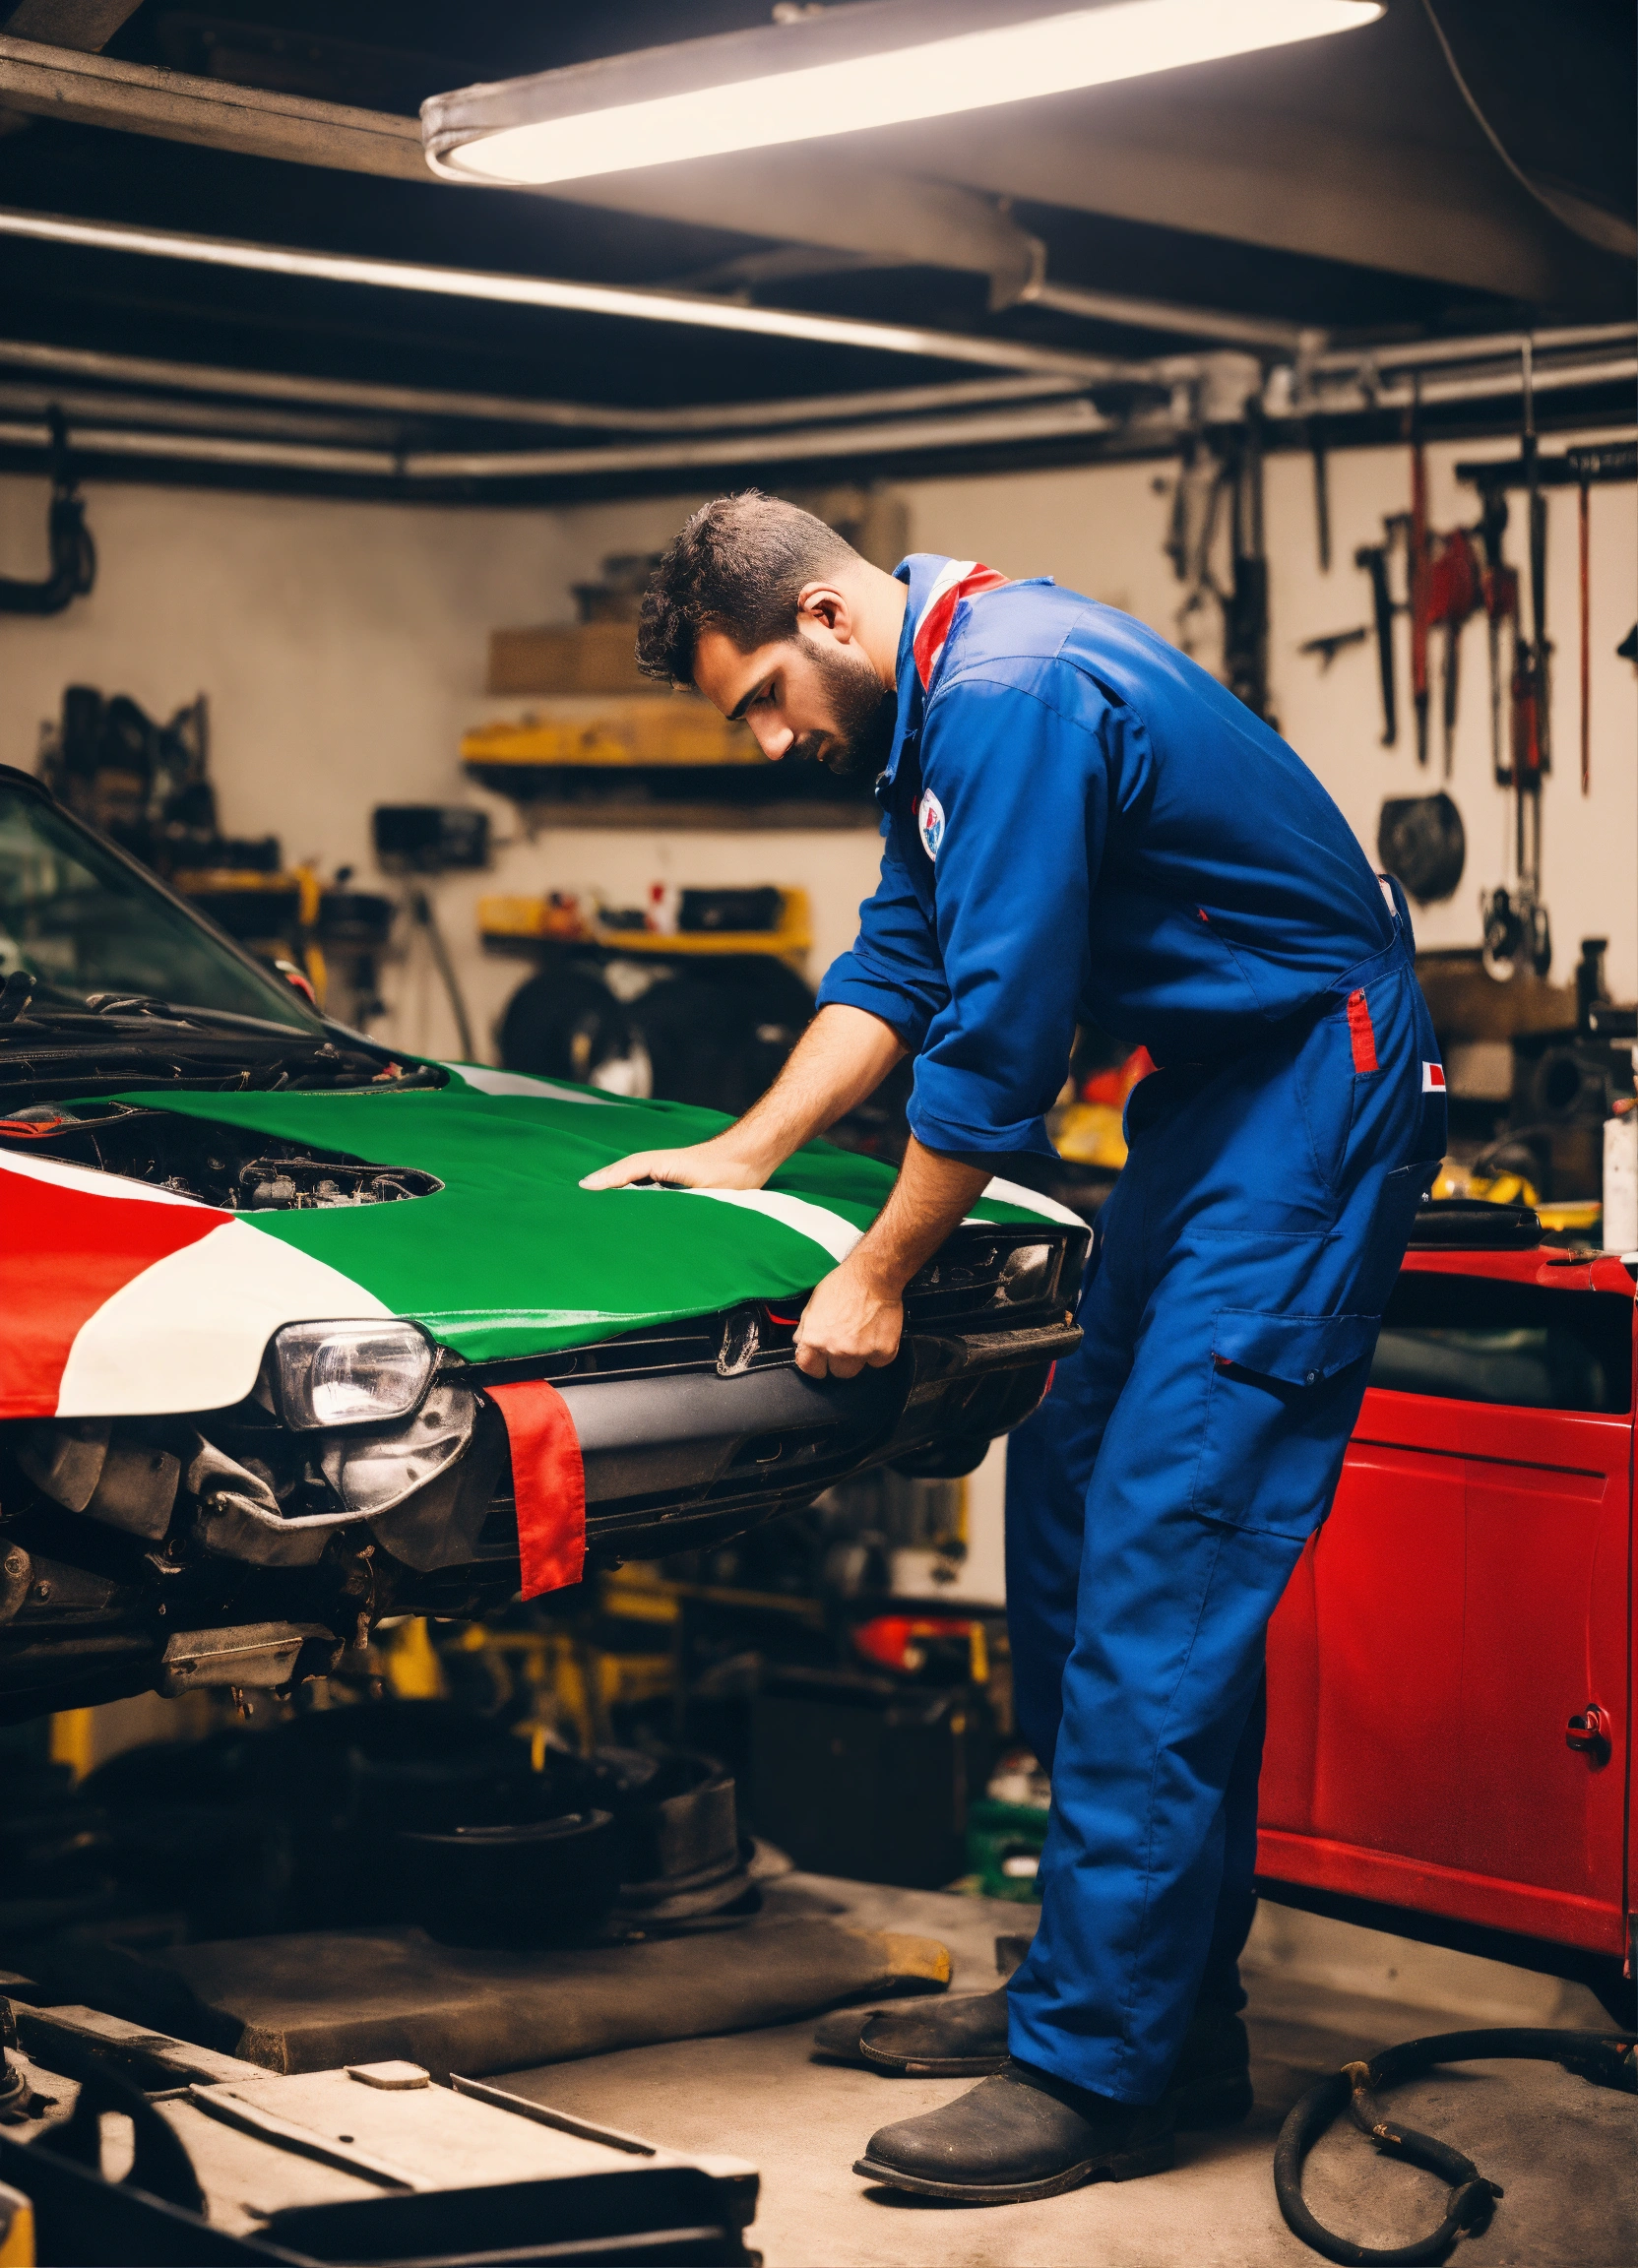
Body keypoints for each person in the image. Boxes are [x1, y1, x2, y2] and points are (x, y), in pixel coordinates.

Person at [582, 493, 1445, 2204]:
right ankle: (1128, 1992)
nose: (765, 742)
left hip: (1312, 1091)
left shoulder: (1013, 692)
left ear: (829, 618)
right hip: (1213, 1100)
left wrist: (883, 1270)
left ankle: (1102, 2072)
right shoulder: (932, 706)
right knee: (1064, 1487)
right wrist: (747, 1152)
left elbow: (1003, 1026)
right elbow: (902, 959)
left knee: (1161, 1560)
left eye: (760, 698)